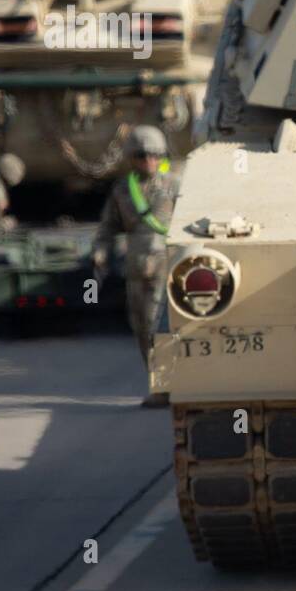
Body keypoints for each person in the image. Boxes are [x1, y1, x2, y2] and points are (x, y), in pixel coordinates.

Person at [92, 125, 180, 409]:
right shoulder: (122, 190)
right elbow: (108, 227)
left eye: (155, 155)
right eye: (141, 155)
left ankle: (165, 386)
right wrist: (100, 252)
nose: (149, 161)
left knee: (158, 325)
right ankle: (158, 383)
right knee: (141, 327)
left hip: (166, 264)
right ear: (131, 158)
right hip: (136, 266)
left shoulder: (173, 186)